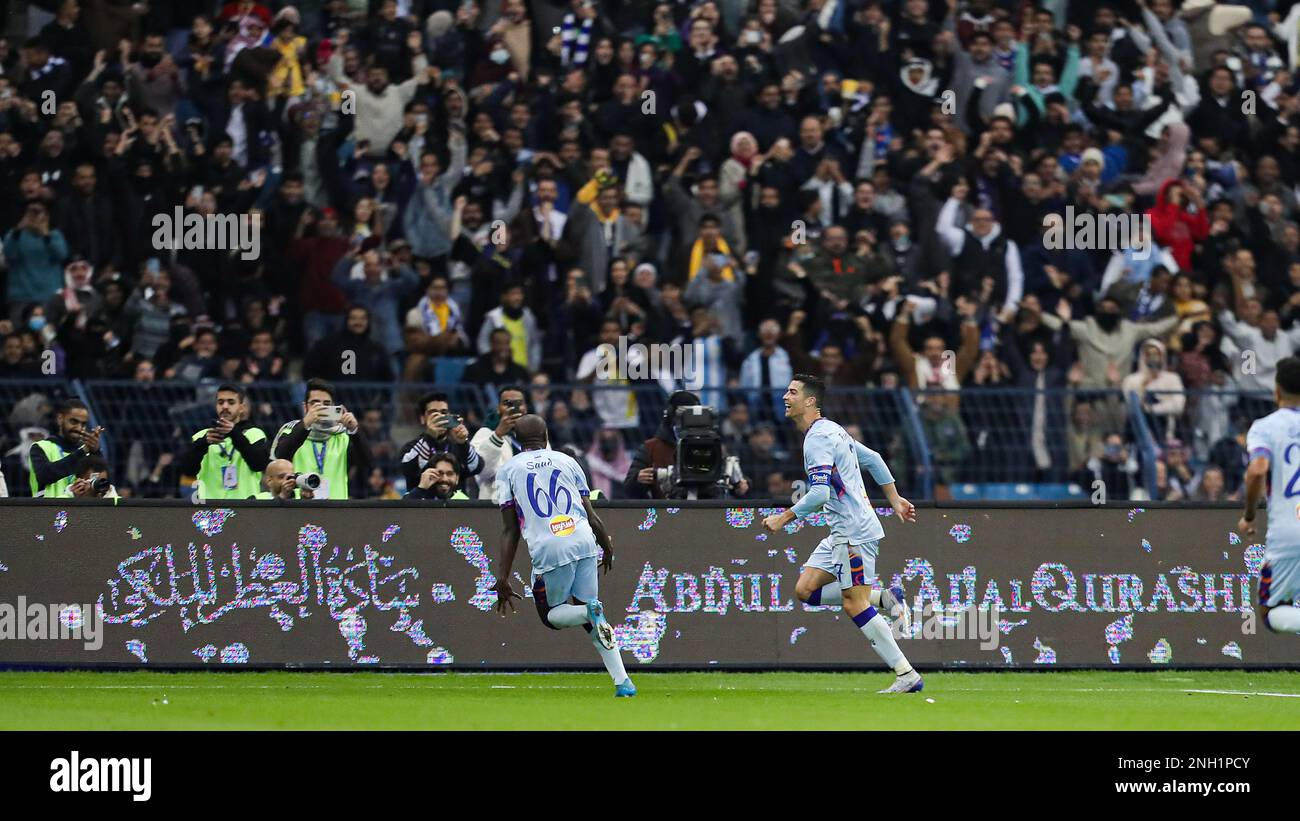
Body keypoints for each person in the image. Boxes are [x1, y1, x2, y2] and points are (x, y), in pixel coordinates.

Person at [761, 374, 922, 694]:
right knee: (805, 590)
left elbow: (820, 494)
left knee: (854, 605)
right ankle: (884, 598)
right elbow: (874, 460)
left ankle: (906, 674)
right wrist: (894, 499)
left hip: (853, 534)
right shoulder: (834, 429)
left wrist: (785, 517)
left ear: (810, 401)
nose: (785, 397)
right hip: (840, 532)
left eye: (792, 392)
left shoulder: (817, 438)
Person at [491, 414, 634, 697]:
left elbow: (510, 530)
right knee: (593, 619)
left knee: (552, 616)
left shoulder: (508, 470)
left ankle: (589, 610)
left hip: (550, 548)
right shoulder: (568, 461)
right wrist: (606, 545)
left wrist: (503, 576)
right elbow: (590, 512)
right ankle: (623, 682)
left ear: (517, 440)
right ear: (546, 435)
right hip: (583, 541)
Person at [1239, 356, 1300, 637]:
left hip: (1288, 533)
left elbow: (1257, 470)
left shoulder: (1265, 427)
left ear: (1276, 391)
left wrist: (1249, 515)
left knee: (1272, 611)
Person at [271, 378, 368, 499]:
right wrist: (305, 424)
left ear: (333, 407)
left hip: (336, 511)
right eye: (315, 404)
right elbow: (280, 456)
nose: (321, 408)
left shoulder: (343, 435)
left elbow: (366, 463)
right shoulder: (291, 430)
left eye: (326, 404)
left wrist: (354, 431)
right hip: (299, 509)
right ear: (305, 407)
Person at [180, 383, 270, 500]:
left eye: (231, 402)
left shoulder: (254, 434)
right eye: (220, 402)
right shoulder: (202, 436)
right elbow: (188, 471)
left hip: (244, 509)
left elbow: (259, 464)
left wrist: (234, 434)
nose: (225, 406)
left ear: (242, 407)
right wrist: (203, 443)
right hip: (210, 509)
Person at [398, 392, 481, 493]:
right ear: (423, 418)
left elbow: (476, 467)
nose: (440, 418)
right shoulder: (410, 447)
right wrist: (429, 436)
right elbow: (408, 469)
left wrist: (463, 442)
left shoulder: (458, 446)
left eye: (444, 413)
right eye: (434, 413)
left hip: (455, 507)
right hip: (422, 507)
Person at [29, 398, 103, 498]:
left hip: (81, 512)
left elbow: (102, 485)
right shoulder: (40, 447)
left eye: (83, 424)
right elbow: (46, 475)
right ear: (60, 419)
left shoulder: (88, 452)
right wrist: (84, 451)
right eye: (74, 422)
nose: (79, 428)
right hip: (48, 512)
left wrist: (96, 452)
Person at [469, 385, 527, 500]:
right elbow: (481, 471)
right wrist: (497, 436)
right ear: (498, 408)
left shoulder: (535, 434)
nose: (513, 408)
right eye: (507, 403)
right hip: (495, 507)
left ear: (525, 407)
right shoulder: (484, 434)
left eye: (518, 403)